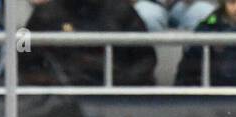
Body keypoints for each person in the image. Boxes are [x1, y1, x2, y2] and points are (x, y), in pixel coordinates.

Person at [18, 0, 157, 87]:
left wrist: (120, 82)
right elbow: (23, 51)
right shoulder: (45, 13)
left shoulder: (123, 12)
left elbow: (147, 58)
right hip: (60, 98)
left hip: (116, 96)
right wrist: (47, 79)